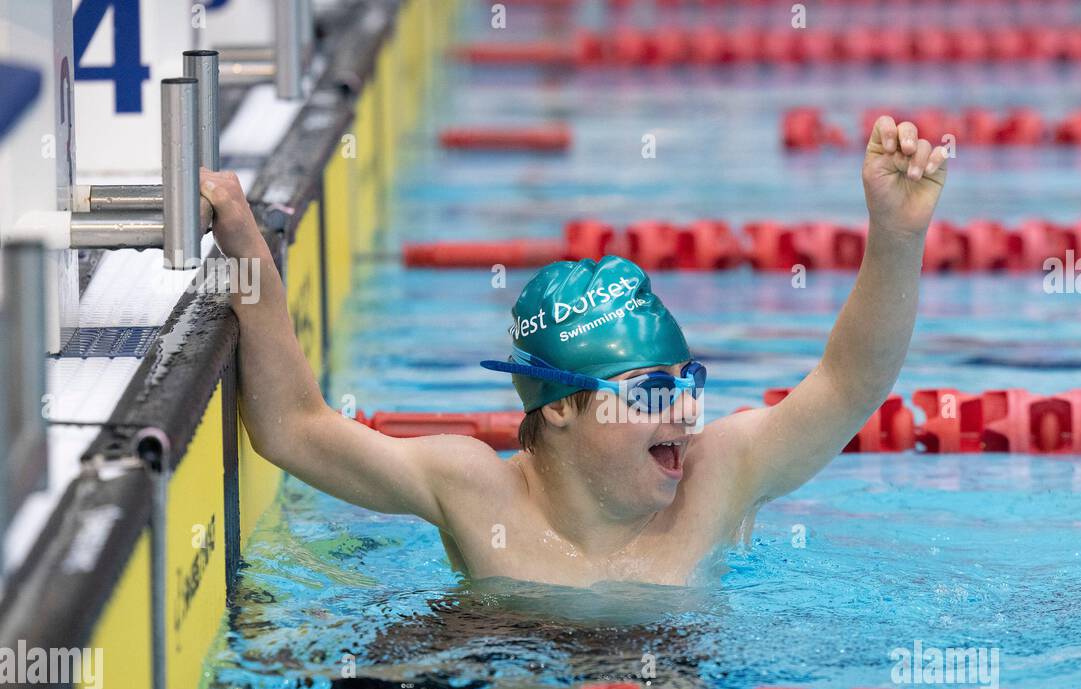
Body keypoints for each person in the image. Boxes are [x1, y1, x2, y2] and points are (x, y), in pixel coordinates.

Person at [200, 116, 948, 587]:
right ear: (558, 407)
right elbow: (293, 429)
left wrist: (897, 236)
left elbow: (848, 383)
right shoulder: (474, 493)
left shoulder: (719, 478)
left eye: (687, 380)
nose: (687, 407)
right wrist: (243, 241)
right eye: (653, 387)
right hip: (495, 674)